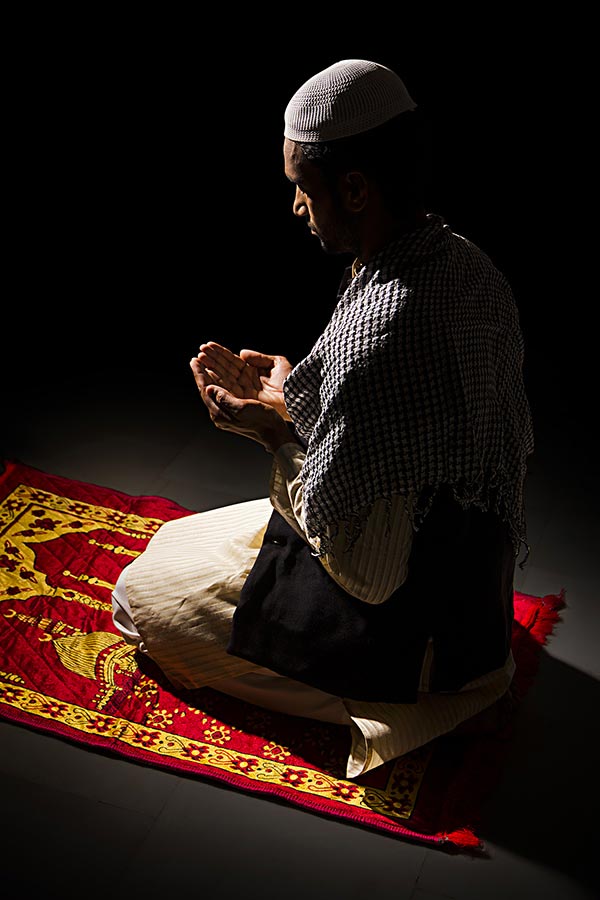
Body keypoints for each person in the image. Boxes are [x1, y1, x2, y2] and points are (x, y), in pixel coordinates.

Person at [111, 59, 534, 777]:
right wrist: (294, 392)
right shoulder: (464, 263)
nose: (297, 208)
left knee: (140, 601)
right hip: (463, 568)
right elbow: (397, 433)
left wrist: (274, 432)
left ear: (357, 189)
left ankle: (421, 705)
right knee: (175, 543)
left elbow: (361, 572)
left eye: (303, 189)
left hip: (407, 607)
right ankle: (451, 678)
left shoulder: (383, 331)